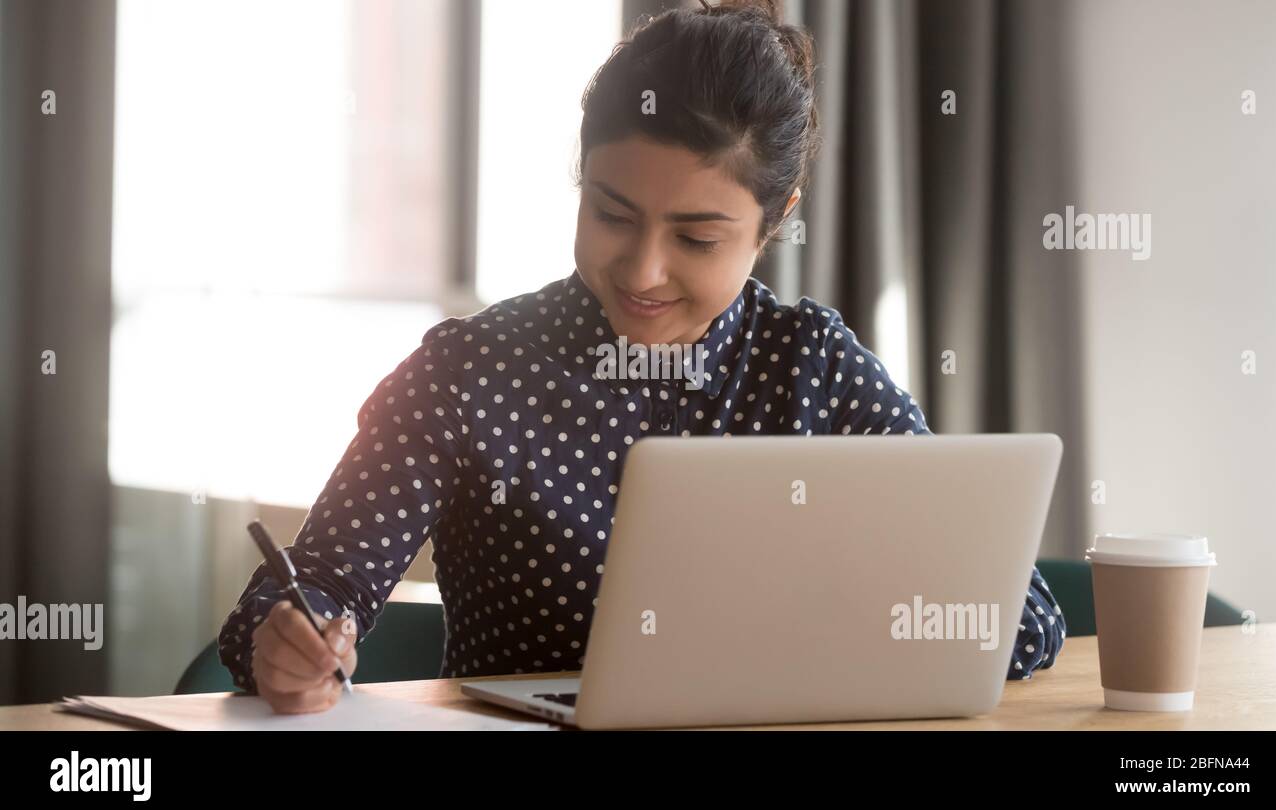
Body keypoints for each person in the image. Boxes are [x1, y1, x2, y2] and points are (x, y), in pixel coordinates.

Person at [219, 0, 1065, 715]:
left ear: (775, 223)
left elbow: (1023, 618)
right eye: (612, 214)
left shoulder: (814, 366)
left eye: (697, 236)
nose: (643, 270)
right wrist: (295, 636)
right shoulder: (466, 371)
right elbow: (315, 582)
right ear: (580, 178)